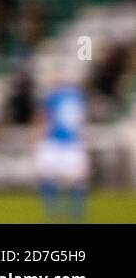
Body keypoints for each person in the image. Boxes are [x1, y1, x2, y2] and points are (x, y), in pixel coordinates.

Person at [33, 60, 88, 222]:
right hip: (72, 142)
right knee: (76, 179)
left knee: (48, 176)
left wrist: (36, 136)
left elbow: (43, 117)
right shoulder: (78, 95)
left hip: (56, 141)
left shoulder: (53, 95)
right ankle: (75, 213)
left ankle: (52, 212)